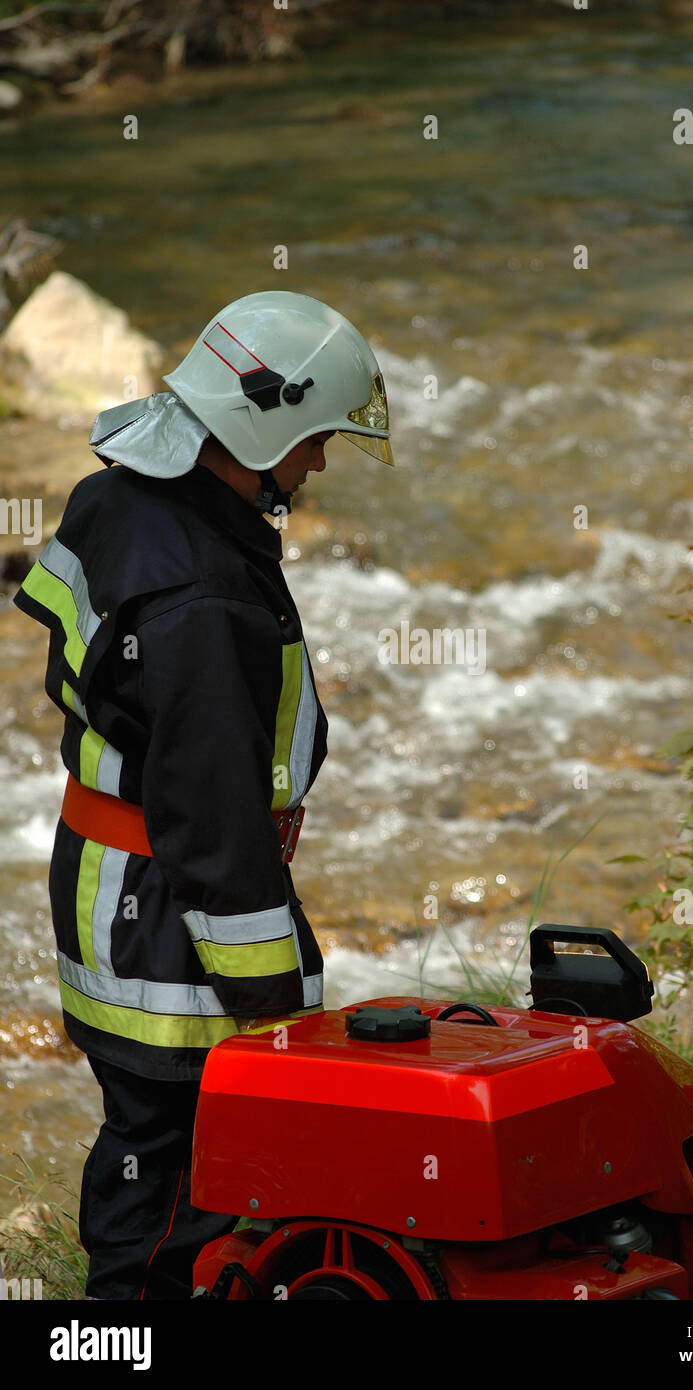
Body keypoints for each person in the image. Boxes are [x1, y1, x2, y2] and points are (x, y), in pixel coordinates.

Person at [13, 290, 395, 1299]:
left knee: (144, 1141)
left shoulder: (124, 497)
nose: (317, 465)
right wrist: (275, 1013)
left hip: (106, 887)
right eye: (315, 440)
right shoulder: (202, 605)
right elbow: (217, 837)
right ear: (263, 429)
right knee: (180, 1193)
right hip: (169, 933)